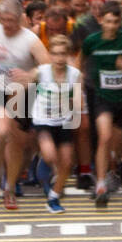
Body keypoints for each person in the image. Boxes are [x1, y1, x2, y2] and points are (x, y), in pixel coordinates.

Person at [0, 0, 49, 210]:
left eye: (12, 20)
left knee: (17, 143)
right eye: (4, 20)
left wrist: (30, 74)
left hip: (22, 93)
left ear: (20, 18)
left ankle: (10, 187)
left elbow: (47, 66)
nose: (8, 25)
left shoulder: (31, 40)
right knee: (2, 132)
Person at [82, 2, 122, 208]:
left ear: (120, 22)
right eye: (108, 21)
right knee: (105, 137)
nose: (111, 26)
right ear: (101, 21)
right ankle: (101, 184)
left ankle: (121, 163)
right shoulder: (92, 41)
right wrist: (80, 78)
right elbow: (80, 59)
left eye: (116, 22)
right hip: (102, 96)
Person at [30, 35, 84, 213]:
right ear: (50, 55)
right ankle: (43, 163)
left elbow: (78, 103)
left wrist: (71, 102)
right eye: (55, 54)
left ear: (68, 55)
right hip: (43, 119)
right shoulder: (41, 72)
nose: (59, 58)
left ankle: (53, 197)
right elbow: (24, 86)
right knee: (50, 155)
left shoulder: (75, 75)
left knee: (67, 163)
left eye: (63, 54)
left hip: (63, 121)